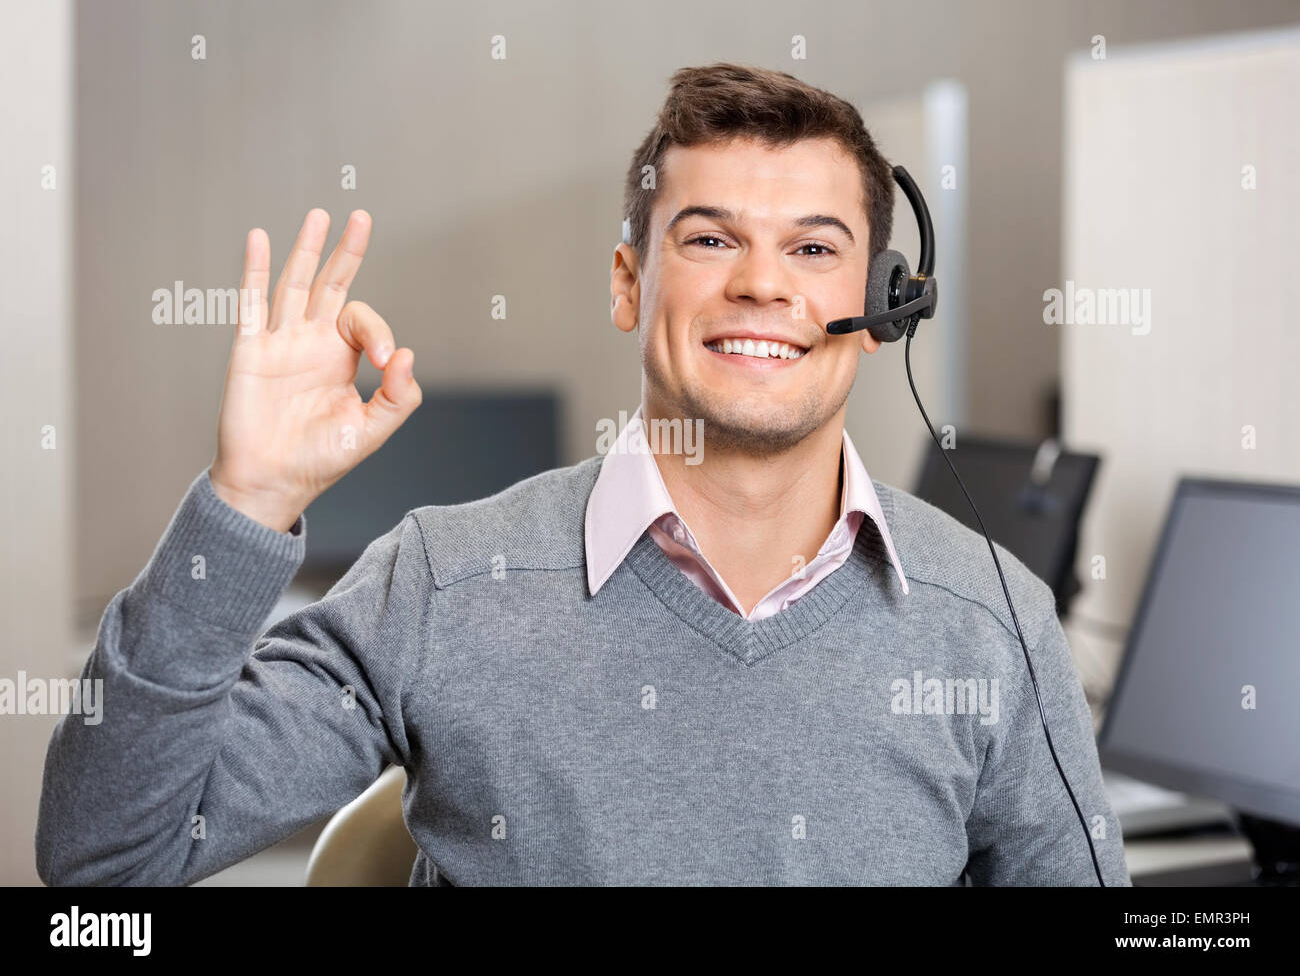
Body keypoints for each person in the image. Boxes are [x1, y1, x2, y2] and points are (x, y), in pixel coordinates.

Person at [36, 62, 1129, 886]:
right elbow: (104, 852)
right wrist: (247, 500)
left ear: (886, 304)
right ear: (627, 282)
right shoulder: (443, 581)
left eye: (811, 248)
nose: (761, 285)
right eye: (707, 240)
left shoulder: (992, 618)